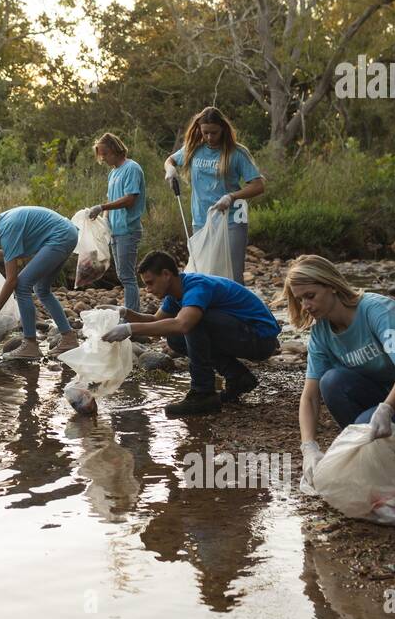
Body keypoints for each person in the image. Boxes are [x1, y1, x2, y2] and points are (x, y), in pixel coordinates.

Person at [282, 255, 395, 501]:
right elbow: (310, 397)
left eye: (310, 295)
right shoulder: (321, 333)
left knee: (365, 423)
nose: (305, 305)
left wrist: (386, 410)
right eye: (300, 299)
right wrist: (309, 448)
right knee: (332, 381)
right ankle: (392, 462)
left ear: (332, 286)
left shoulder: (376, 310)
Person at [102, 250, 280, 416]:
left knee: (193, 322)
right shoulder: (175, 293)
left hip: (260, 338)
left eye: (150, 282)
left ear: (166, 274)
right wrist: (125, 313)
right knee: (176, 340)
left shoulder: (197, 286)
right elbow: (155, 321)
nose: (148, 289)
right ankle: (238, 378)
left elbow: (184, 324)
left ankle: (203, 393)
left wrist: (129, 329)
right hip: (242, 335)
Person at [0, 206, 80, 360]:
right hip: (66, 234)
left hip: (60, 237)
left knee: (22, 286)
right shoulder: (3, 223)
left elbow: (12, 280)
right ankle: (69, 338)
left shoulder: (7, 230)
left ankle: (30, 344)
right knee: (42, 290)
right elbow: (21, 251)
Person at [163, 107, 265, 284]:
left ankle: (238, 310)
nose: (209, 137)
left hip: (232, 219)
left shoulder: (237, 153)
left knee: (232, 276)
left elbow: (258, 185)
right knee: (204, 273)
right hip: (201, 220)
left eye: (214, 133)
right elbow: (170, 160)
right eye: (205, 133)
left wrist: (231, 197)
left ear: (223, 129)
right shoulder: (193, 149)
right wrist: (170, 169)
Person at [87, 132, 146, 312]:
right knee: (122, 274)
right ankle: (131, 310)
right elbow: (111, 197)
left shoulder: (132, 168)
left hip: (128, 229)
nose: (103, 158)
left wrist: (102, 207)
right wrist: (104, 222)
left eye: (104, 153)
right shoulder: (113, 173)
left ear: (114, 149)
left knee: (127, 276)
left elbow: (130, 199)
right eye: (100, 154)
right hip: (115, 230)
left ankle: (133, 314)